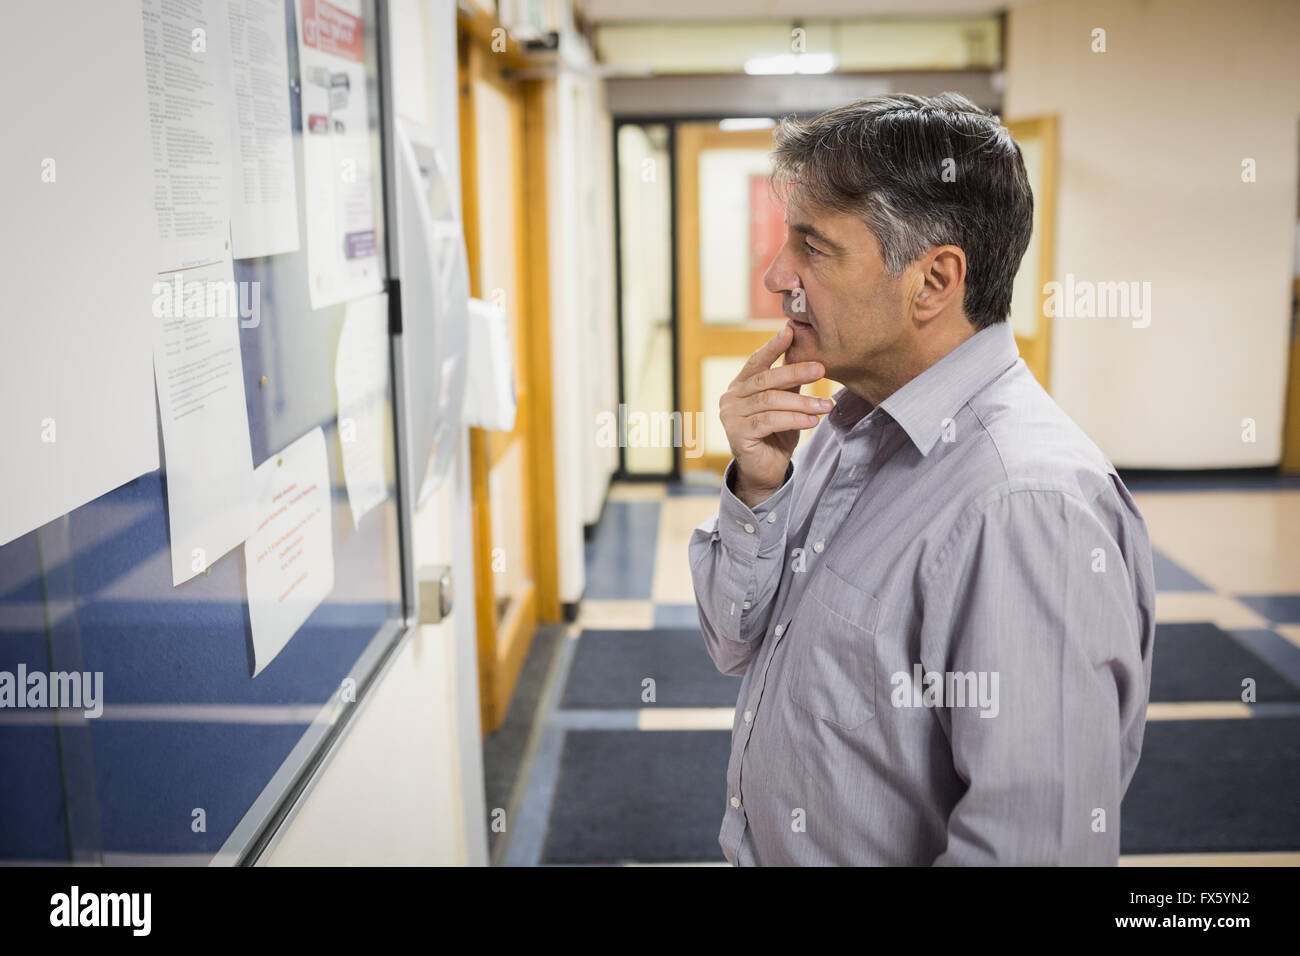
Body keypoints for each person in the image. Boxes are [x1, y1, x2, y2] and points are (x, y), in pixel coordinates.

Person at [689, 92, 1155, 865]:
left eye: (813, 246)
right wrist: (759, 489)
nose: (777, 275)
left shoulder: (1026, 509)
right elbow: (734, 641)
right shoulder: (852, 426)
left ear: (933, 282)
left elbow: (1034, 850)